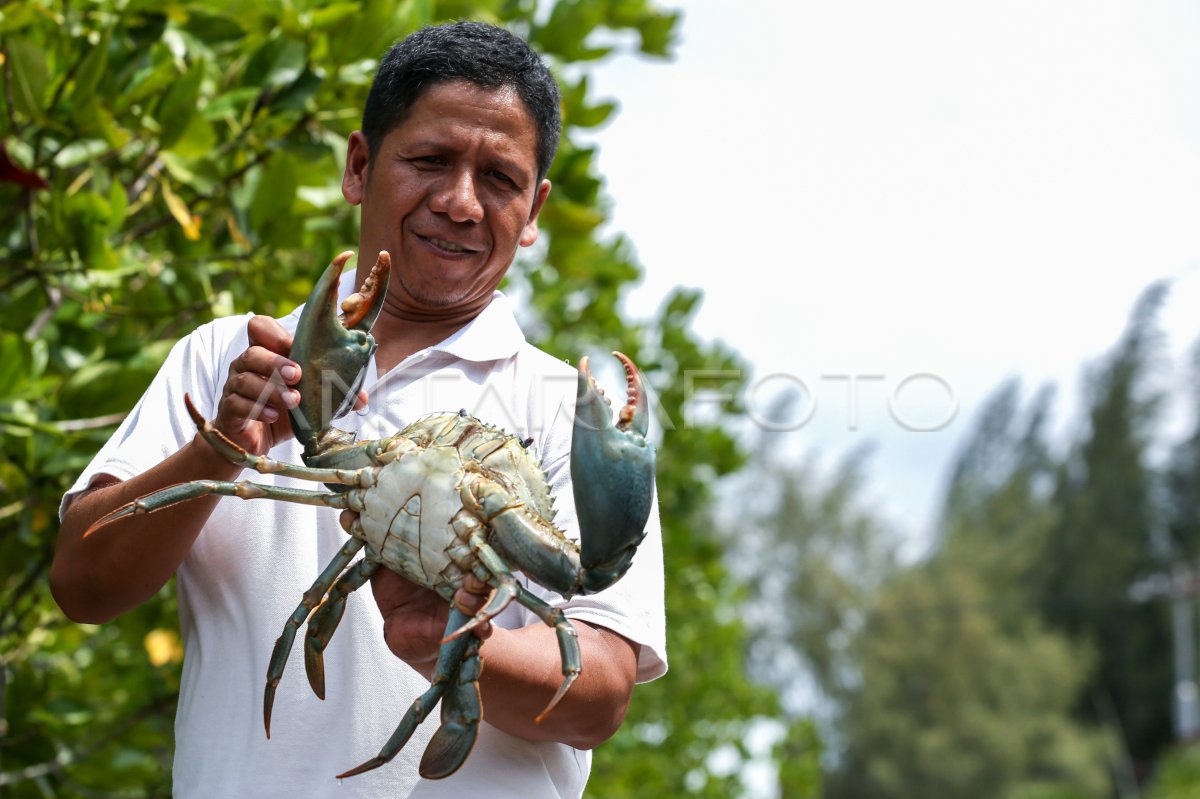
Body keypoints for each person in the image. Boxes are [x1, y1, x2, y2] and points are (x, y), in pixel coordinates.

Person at [50, 21, 666, 799]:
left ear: (535, 208)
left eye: (500, 179)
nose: (461, 201)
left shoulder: (561, 411)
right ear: (360, 165)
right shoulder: (236, 358)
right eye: (430, 160)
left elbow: (600, 692)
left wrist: (441, 639)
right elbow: (80, 583)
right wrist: (219, 449)